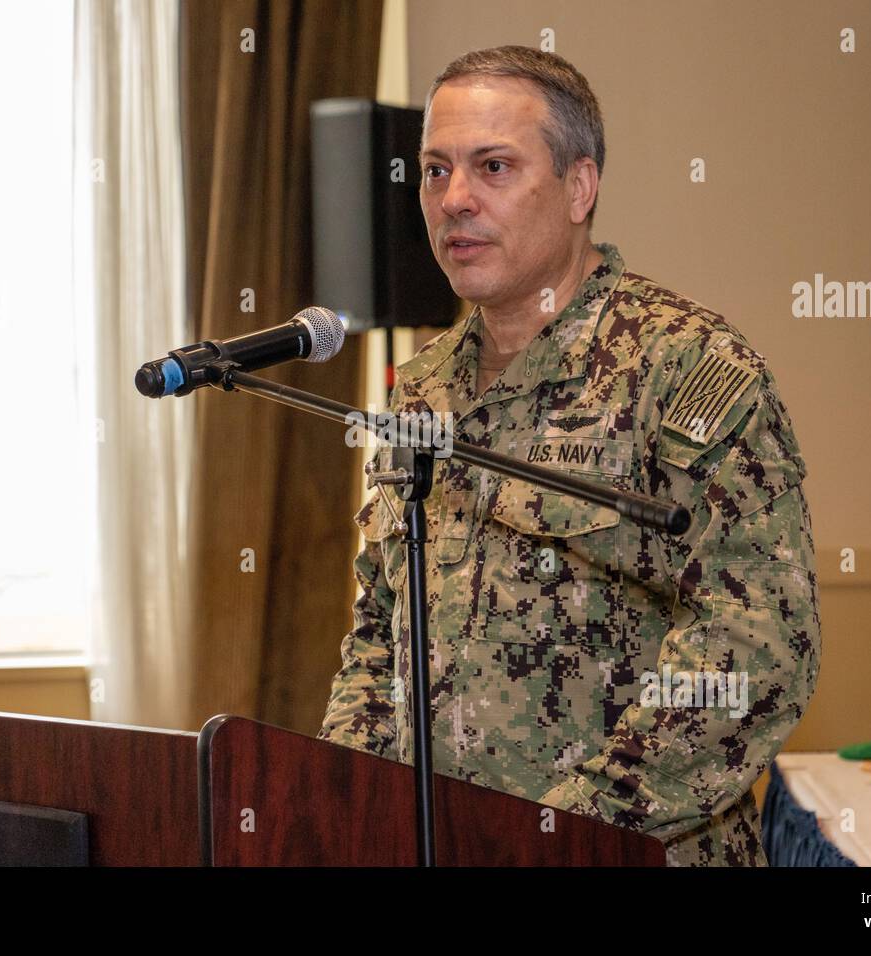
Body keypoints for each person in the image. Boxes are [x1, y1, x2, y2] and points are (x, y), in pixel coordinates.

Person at [318, 45, 820, 866]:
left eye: (494, 167)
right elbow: (381, 628)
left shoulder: (682, 367)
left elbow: (755, 649)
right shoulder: (422, 391)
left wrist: (556, 835)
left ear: (579, 187)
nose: (455, 200)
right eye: (436, 171)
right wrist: (342, 802)